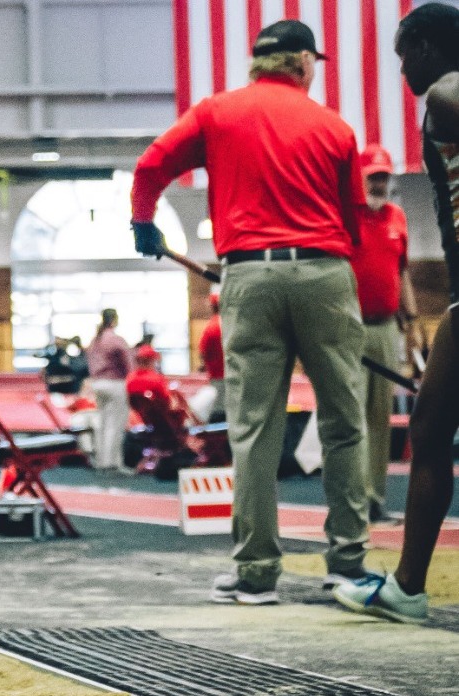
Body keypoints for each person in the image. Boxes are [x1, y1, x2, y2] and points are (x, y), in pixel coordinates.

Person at [132, 19, 370, 605]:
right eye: (313, 60)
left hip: (248, 276)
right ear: (300, 63)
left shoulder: (218, 113)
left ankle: (258, 572)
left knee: (255, 427)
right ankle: (347, 566)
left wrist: (144, 221)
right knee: (343, 422)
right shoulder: (336, 127)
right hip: (324, 273)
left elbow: (149, 168)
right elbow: (355, 218)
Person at [335, 3, 459, 624]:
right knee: (431, 433)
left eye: (405, 53)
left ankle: (408, 585)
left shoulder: (443, 91)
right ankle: (407, 586)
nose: (403, 68)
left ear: (429, 47)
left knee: (431, 436)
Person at [349, 145, 417, 524]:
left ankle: (374, 499)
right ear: (360, 178)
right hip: (352, 330)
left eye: (384, 176)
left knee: (379, 418)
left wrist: (413, 319)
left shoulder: (398, 218)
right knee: (352, 417)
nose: (379, 181)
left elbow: (402, 271)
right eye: (373, 175)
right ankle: (353, 501)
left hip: (387, 327)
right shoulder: (347, 217)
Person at [85, 308, 132, 472]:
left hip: (98, 383)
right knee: (115, 424)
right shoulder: (116, 340)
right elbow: (128, 364)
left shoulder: (95, 340)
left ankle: (102, 461)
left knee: (103, 423)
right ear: (114, 320)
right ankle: (112, 463)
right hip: (115, 384)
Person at [197, 291, 226, 422]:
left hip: (218, 374)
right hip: (231, 373)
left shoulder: (212, 326)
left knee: (219, 408)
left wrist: (205, 364)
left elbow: (203, 351)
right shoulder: (228, 324)